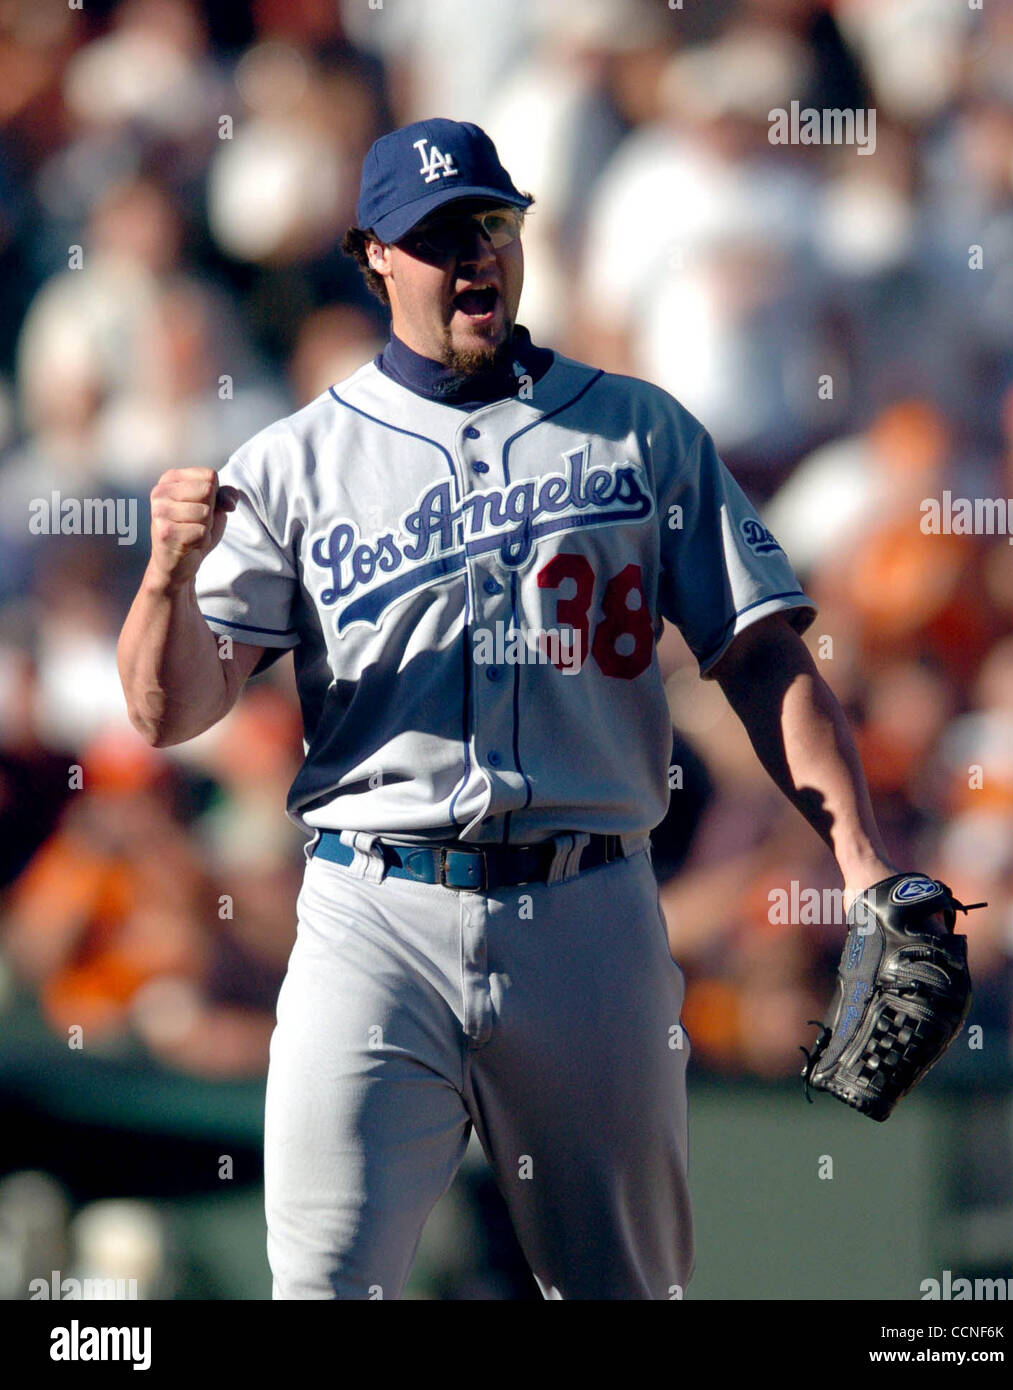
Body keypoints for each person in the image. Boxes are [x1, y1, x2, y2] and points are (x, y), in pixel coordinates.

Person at [117, 118, 897, 1300]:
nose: (474, 252)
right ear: (375, 254)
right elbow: (169, 711)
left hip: (589, 910)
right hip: (371, 910)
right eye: (437, 235)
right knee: (324, 1285)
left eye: (491, 222)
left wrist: (861, 860)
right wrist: (168, 575)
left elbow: (760, 655)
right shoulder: (292, 463)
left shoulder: (642, 432)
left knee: (624, 1290)